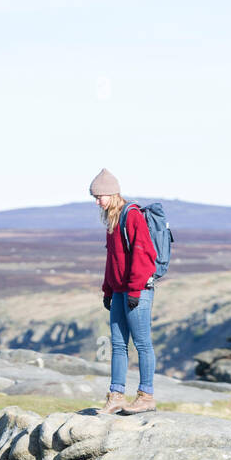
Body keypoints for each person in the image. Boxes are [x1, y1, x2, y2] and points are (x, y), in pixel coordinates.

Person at [89, 168, 157, 414]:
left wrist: (136, 290)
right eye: (95, 198)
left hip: (136, 291)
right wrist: (108, 290)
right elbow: (112, 260)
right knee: (118, 344)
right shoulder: (112, 220)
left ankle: (146, 396)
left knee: (142, 344)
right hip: (119, 292)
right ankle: (116, 395)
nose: (97, 202)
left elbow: (144, 254)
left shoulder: (132, 215)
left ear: (111, 193)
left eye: (99, 197)